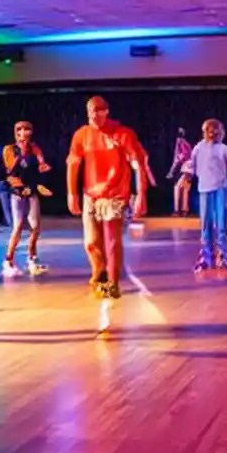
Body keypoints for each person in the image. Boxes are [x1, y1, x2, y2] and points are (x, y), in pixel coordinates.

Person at [66, 96, 148, 300]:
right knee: (91, 241)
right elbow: (73, 164)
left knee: (112, 240)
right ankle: (100, 274)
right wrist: (72, 193)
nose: (94, 115)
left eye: (98, 110)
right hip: (90, 194)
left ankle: (113, 282)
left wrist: (140, 194)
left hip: (115, 194)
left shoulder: (122, 134)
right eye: (91, 111)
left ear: (106, 111)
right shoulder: (82, 135)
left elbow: (137, 164)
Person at [181, 118, 227, 271]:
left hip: (220, 190)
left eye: (215, 131)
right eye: (208, 131)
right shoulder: (198, 148)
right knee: (206, 224)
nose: (211, 134)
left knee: (221, 223)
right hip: (204, 189)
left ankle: (222, 255)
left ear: (220, 133)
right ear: (204, 132)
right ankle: (205, 255)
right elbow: (192, 165)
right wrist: (187, 178)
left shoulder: (224, 149)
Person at [0, 121, 52, 277]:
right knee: (18, 227)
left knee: (36, 227)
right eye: (21, 130)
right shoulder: (9, 149)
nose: (25, 132)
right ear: (17, 132)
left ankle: (32, 259)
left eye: (28, 129)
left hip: (32, 191)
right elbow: (11, 171)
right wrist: (21, 153)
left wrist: (43, 167)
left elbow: (41, 164)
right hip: (17, 192)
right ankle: (8, 261)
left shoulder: (34, 148)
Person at [167, 127, 193, 217]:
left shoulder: (180, 142)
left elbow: (180, 156)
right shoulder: (187, 143)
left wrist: (172, 170)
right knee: (185, 188)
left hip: (186, 167)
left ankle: (177, 210)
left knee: (177, 187)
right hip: (190, 168)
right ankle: (184, 210)